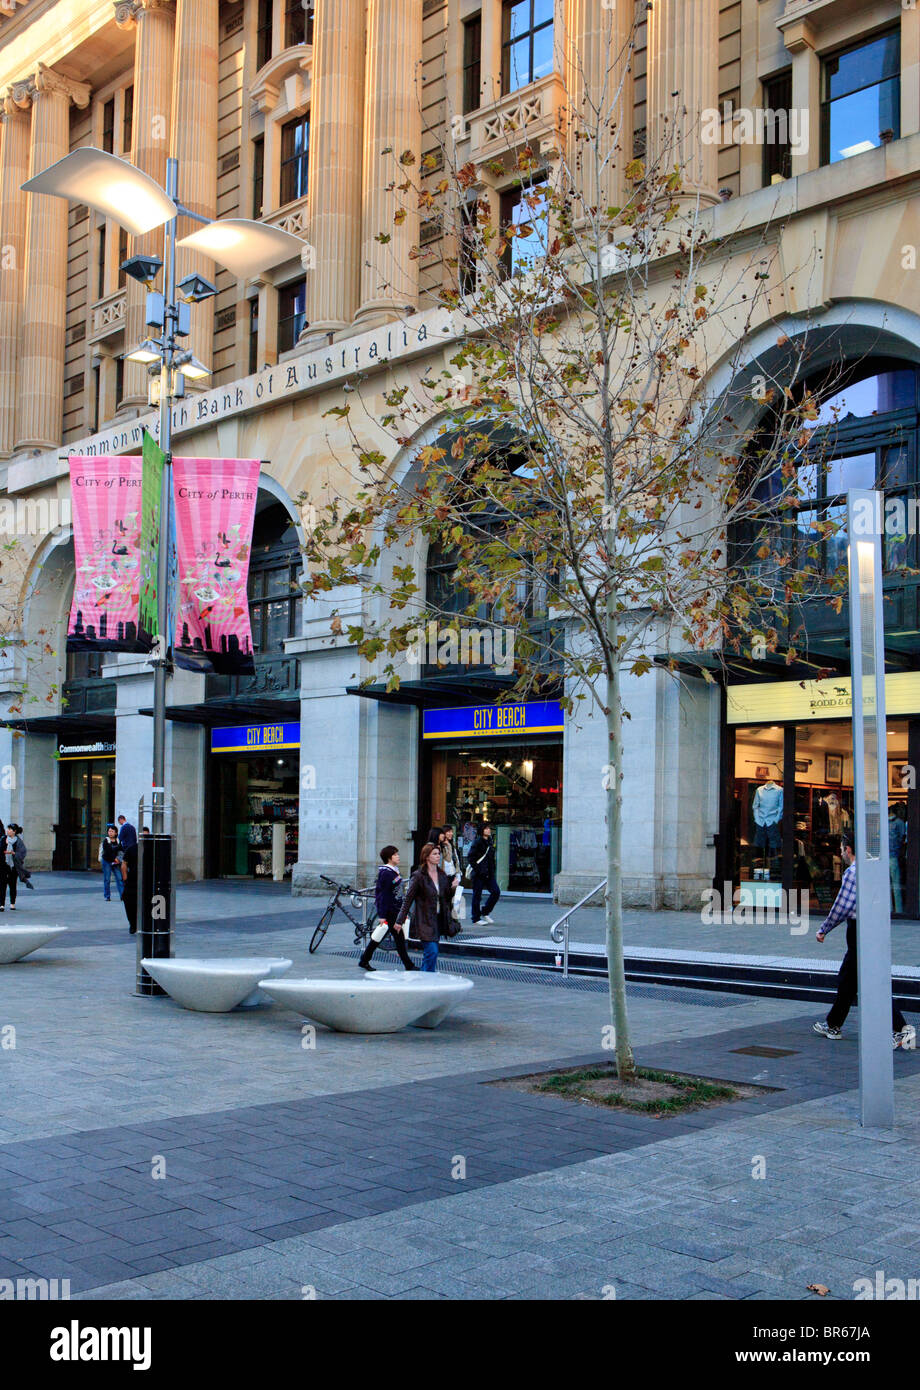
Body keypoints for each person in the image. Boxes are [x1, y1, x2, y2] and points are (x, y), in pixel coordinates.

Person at [814, 832, 915, 1048]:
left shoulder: (853, 873)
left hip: (858, 930)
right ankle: (833, 1025)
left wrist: (824, 929)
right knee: (849, 980)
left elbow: (842, 906)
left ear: (848, 849)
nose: (840, 852)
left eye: (841, 848)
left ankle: (900, 1030)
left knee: (869, 981)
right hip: (872, 928)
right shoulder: (873, 869)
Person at [358, 845, 417, 972]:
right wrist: (382, 915)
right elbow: (382, 895)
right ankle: (409, 965)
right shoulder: (386, 873)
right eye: (395, 855)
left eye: (397, 854)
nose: (398, 856)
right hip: (390, 911)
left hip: (396, 910)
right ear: (389, 858)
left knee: (388, 938)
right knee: (398, 939)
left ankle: (364, 960)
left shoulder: (394, 871)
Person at [395, 841, 451, 972]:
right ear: (427, 857)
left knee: (430, 954)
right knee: (432, 951)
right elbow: (408, 899)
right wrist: (400, 920)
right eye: (435, 854)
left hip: (438, 919)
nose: (438, 856)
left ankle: (425, 978)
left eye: (439, 854)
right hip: (424, 919)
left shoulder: (442, 875)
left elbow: (446, 897)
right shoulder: (419, 876)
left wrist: (452, 887)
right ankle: (426, 978)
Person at [469, 822, 500, 926]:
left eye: (489, 828)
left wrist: (492, 870)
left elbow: (491, 858)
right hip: (479, 874)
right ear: (481, 830)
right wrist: (479, 869)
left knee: (496, 892)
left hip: (489, 873)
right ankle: (476, 918)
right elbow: (471, 857)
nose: (488, 830)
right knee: (477, 896)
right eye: (486, 828)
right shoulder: (477, 842)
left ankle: (485, 911)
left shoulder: (490, 841)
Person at [0, 824, 26, 912]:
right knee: (2, 885)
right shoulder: (3, 839)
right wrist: (5, 849)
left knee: (12, 885)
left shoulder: (18, 841)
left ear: (14, 831)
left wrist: (14, 853)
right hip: (4, 865)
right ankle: (1, 904)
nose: (8, 831)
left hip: (14, 866)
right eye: (8, 829)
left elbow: (22, 852)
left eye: (10, 829)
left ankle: (12, 903)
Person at [100, 824, 124, 902]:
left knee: (120, 878)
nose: (110, 833)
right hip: (107, 861)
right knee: (107, 879)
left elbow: (121, 851)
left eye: (112, 831)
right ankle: (107, 896)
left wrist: (118, 859)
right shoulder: (106, 840)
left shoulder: (118, 841)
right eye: (109, 831)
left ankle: (122, 896)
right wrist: (114, 858)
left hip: (116, 862)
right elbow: (107, 852)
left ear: (116, 833)